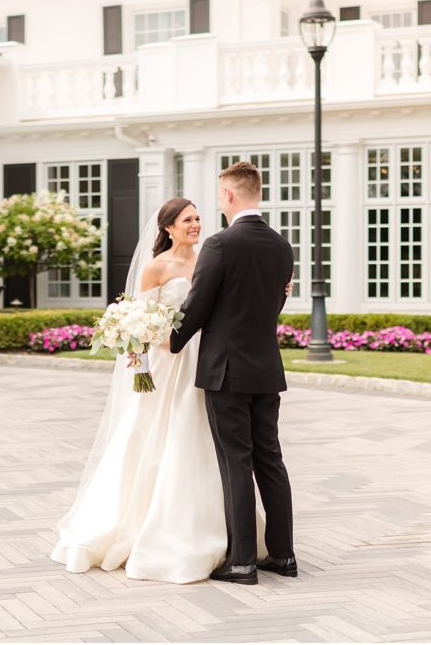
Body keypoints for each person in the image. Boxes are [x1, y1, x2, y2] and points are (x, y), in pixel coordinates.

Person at [50, 196, 271, 584]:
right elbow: (136, 321)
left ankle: (223, 534)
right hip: (168, 363)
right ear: (168, 227)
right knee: (154, 436)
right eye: (187, 220)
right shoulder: (156, 267)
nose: (196, 225)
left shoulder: (211, 257)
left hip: (207, 358)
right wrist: (140, 365)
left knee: (206, 438)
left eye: (198, 218)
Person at [169, 160, 297, 585]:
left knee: (236, 463)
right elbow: (273, 306)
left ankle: (242, 561)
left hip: (226, 371)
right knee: (270, 460)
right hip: (266, 368)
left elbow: (197, 305)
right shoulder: (282, 246)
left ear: (228, 194)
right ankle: (283, 555)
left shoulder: (220, 244)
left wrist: (169, 340)